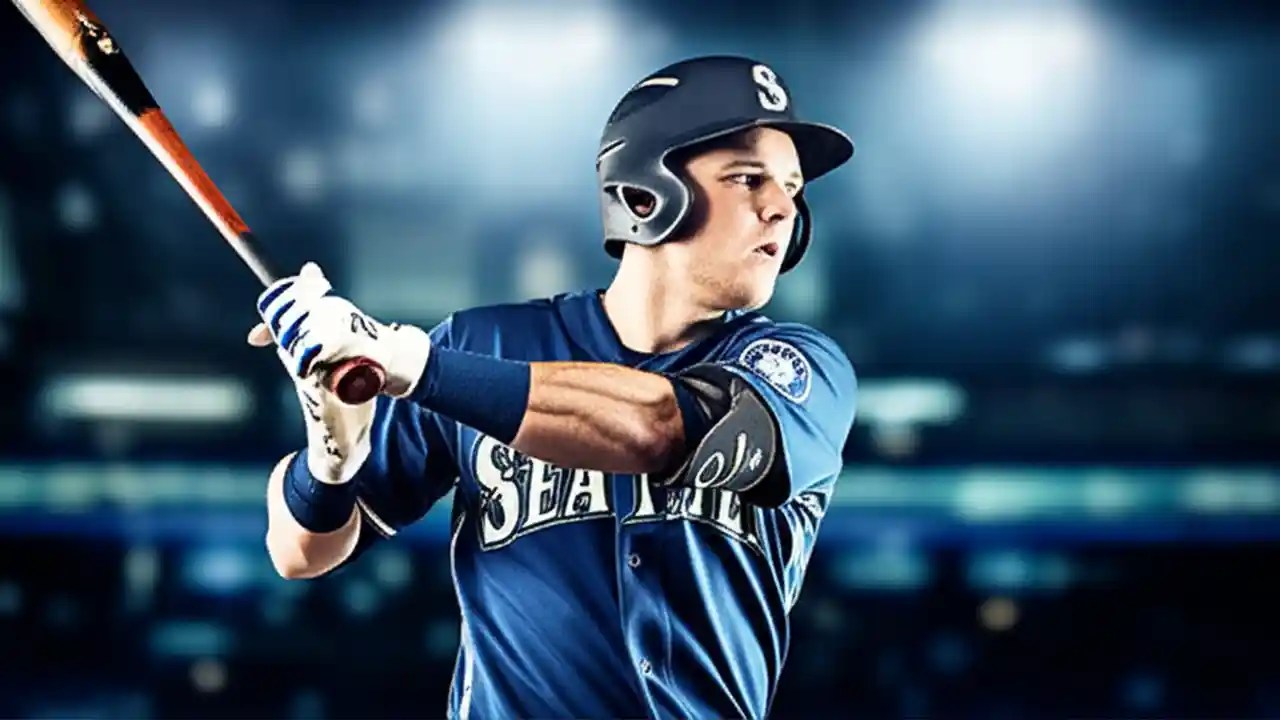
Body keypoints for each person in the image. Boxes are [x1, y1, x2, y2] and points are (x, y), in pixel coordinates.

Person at [252, 54, 858, 720]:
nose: (782, 208)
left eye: (793, 187)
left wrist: (406, 363)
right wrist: (330, 458)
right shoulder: (480, 349)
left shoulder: (799, 369)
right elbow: (300, 551)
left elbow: (659, 427)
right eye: (748, 178)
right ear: (643, 194)